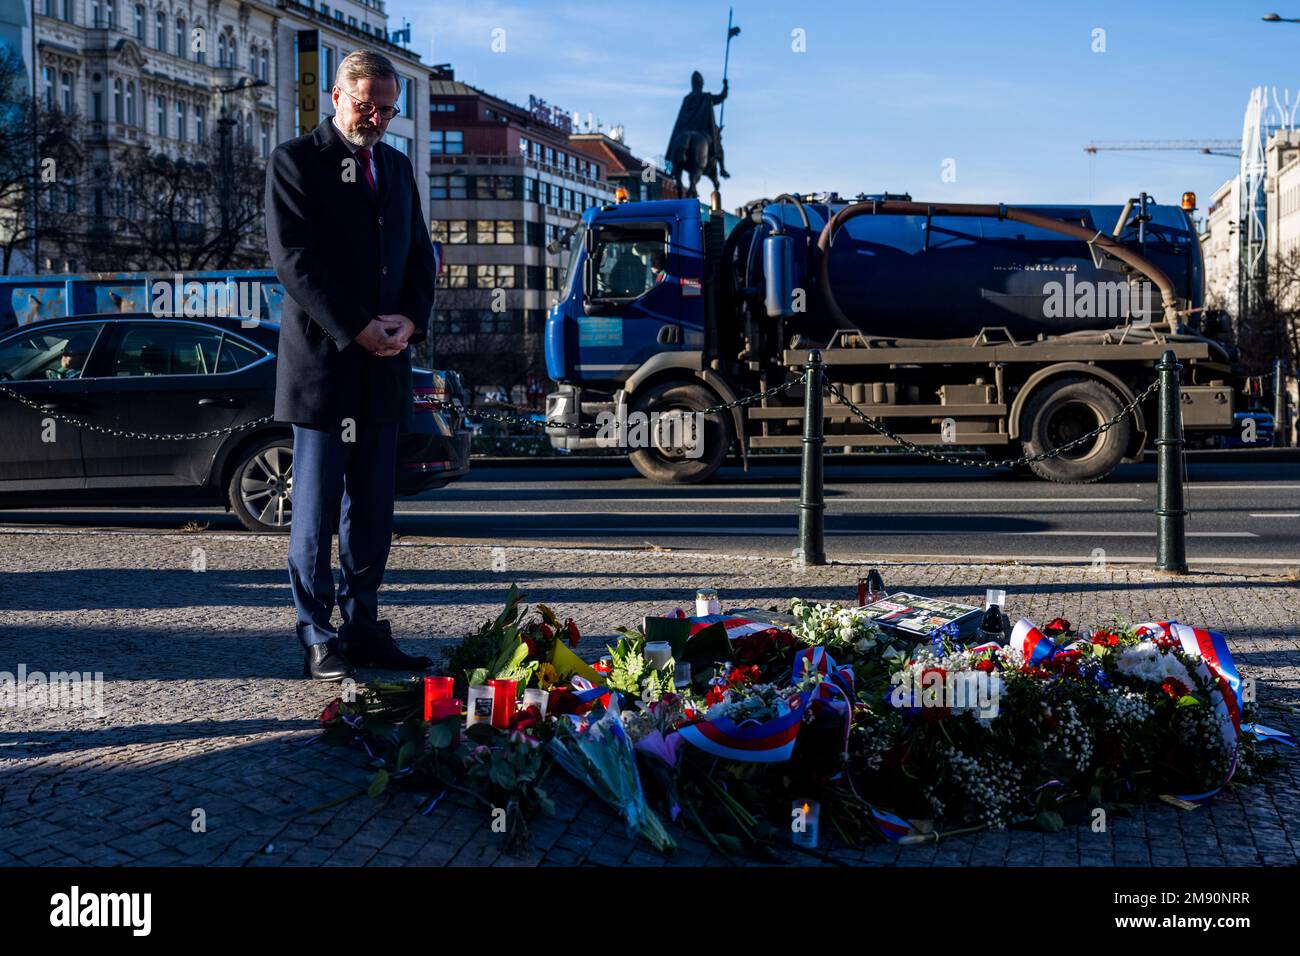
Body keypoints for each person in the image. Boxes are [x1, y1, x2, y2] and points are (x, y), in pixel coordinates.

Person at [264, 49, 437, 681]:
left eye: (388, 108)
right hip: (325, 365)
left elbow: (421, 257)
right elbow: (294, 261)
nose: (379, 118)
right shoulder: (295, 161)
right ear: (337, 95)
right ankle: (317, 636)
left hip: (385, 363)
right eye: (368, 105)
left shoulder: (394, 166)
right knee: (313, 511)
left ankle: (363, 625)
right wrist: (357, 326)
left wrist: (409, 322)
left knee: (372, 512)